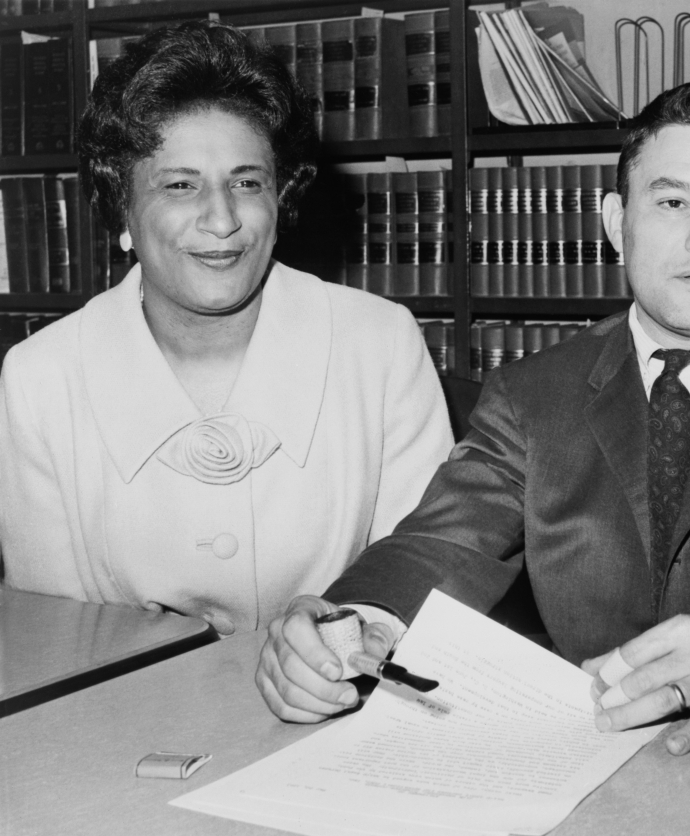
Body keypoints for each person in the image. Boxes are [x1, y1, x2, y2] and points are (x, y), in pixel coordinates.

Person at [255, 83, 690, 754]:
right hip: (582, 757)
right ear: (616, 222)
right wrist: (349, 626)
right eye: (673, 202)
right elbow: (440, 545)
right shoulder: (531, 393)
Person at [0, 21, 453, 636]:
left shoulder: (379, 345)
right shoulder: (39, 378)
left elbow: (422, 596)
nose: (222, 219)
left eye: (247, 182)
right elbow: (54, 633)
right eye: (180, 186)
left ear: (280, 198)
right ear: (120, 211)